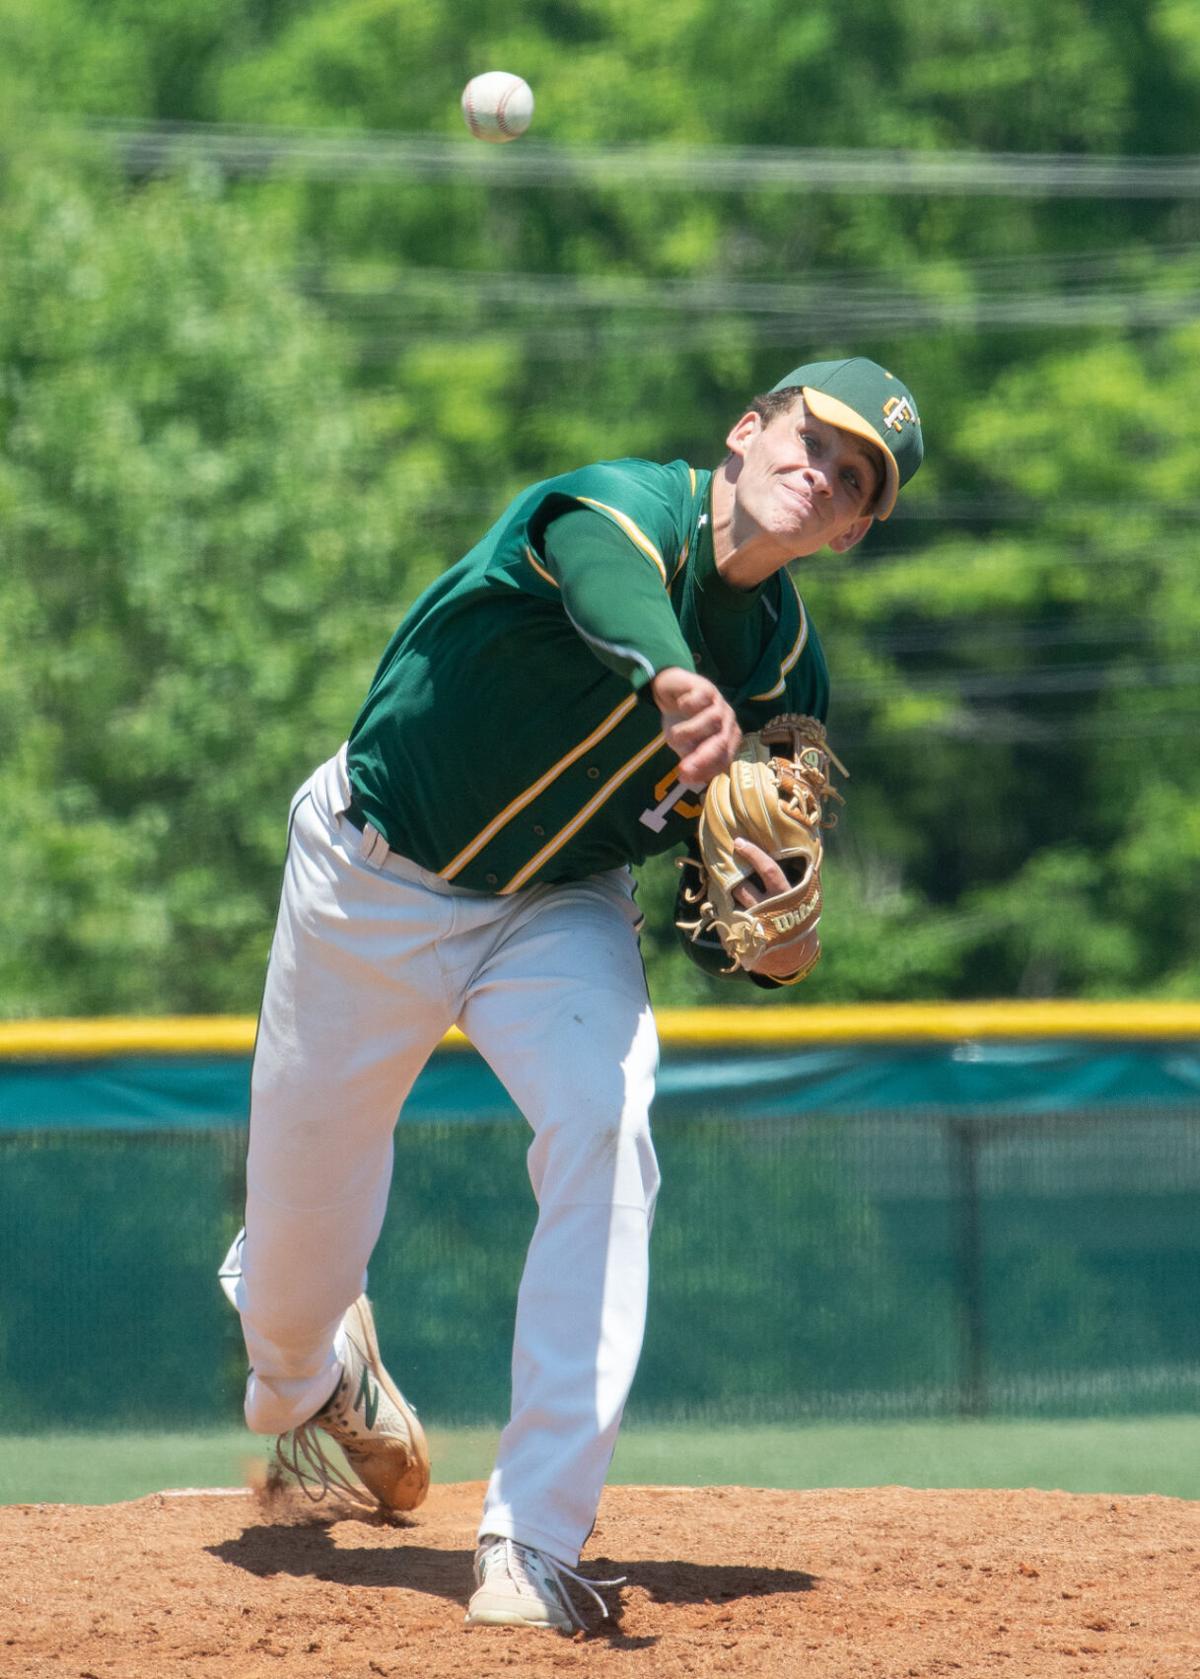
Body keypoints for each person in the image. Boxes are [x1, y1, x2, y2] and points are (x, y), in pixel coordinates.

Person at [218, 356, 924, 1632]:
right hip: (367, 869)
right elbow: (603, 577)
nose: (822, 474)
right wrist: (669, 674)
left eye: (856, 480)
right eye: (812, 440)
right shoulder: (613, 507)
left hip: (557, 909)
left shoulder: (787, 677)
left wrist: (752, 937)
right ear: (747, 431)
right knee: (280, 1334)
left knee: (610, 1120)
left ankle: (532, 1537)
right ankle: (321, 1373)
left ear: (858, 528)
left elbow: (727, 890)